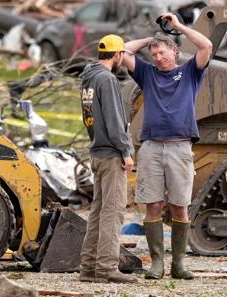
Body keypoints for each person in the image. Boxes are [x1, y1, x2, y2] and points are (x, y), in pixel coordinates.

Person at [122, 12, 213, 281]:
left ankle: (179, 264)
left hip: (179, 147)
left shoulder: (190, 72)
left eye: (162, 52)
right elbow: (123, 50)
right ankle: (157, 263)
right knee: (152, 204)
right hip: (151, 147)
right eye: (154, 54)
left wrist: (178, 27)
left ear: (175, 51)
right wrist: (152, 38)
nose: (158, 58)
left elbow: (206, 46)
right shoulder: (147, 74)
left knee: (179, 206)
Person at [78, 35, 138, 284]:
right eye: (122, 54)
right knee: (113, 213)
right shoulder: (107, 79)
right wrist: (126, 151)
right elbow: (114, 120)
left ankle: (88, 267)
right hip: (111, 155)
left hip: (97, 152)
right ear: (117, 55)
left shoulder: (89, 78)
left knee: (98, 212)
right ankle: (106, 268)